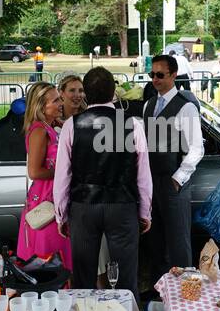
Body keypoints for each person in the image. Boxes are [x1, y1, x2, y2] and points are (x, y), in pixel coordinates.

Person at [54, 66, 152, 297]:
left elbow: (62, 175)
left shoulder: (71, 125)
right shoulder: (133, 124)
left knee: (83, 274)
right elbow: (143, 174)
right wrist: (145, 211)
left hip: (83, 206)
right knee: (127, 274)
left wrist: (61, 214)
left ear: (86, 93)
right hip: (122, 205)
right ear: (113, 93)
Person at [143, 53, 204, 288]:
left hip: (173, 182)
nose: (155, 80)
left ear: (174, 75)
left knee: (179, 242)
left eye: (160, 75)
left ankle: (187, 291)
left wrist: (178, 179)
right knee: (155, 240)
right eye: (152, 75)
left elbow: (196, 149)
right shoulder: (149, 104)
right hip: (151, 183)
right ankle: (161, 290)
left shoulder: (186, 107)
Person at [16, 82, 73, 269]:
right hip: (45, 199)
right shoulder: (39, 131)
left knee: (60, 250)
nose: (61, 103)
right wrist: (64, 171)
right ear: (41, 105)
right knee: (50, 253)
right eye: (56, 100)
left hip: (53, 194)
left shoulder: (49, 126)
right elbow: (34, 171)